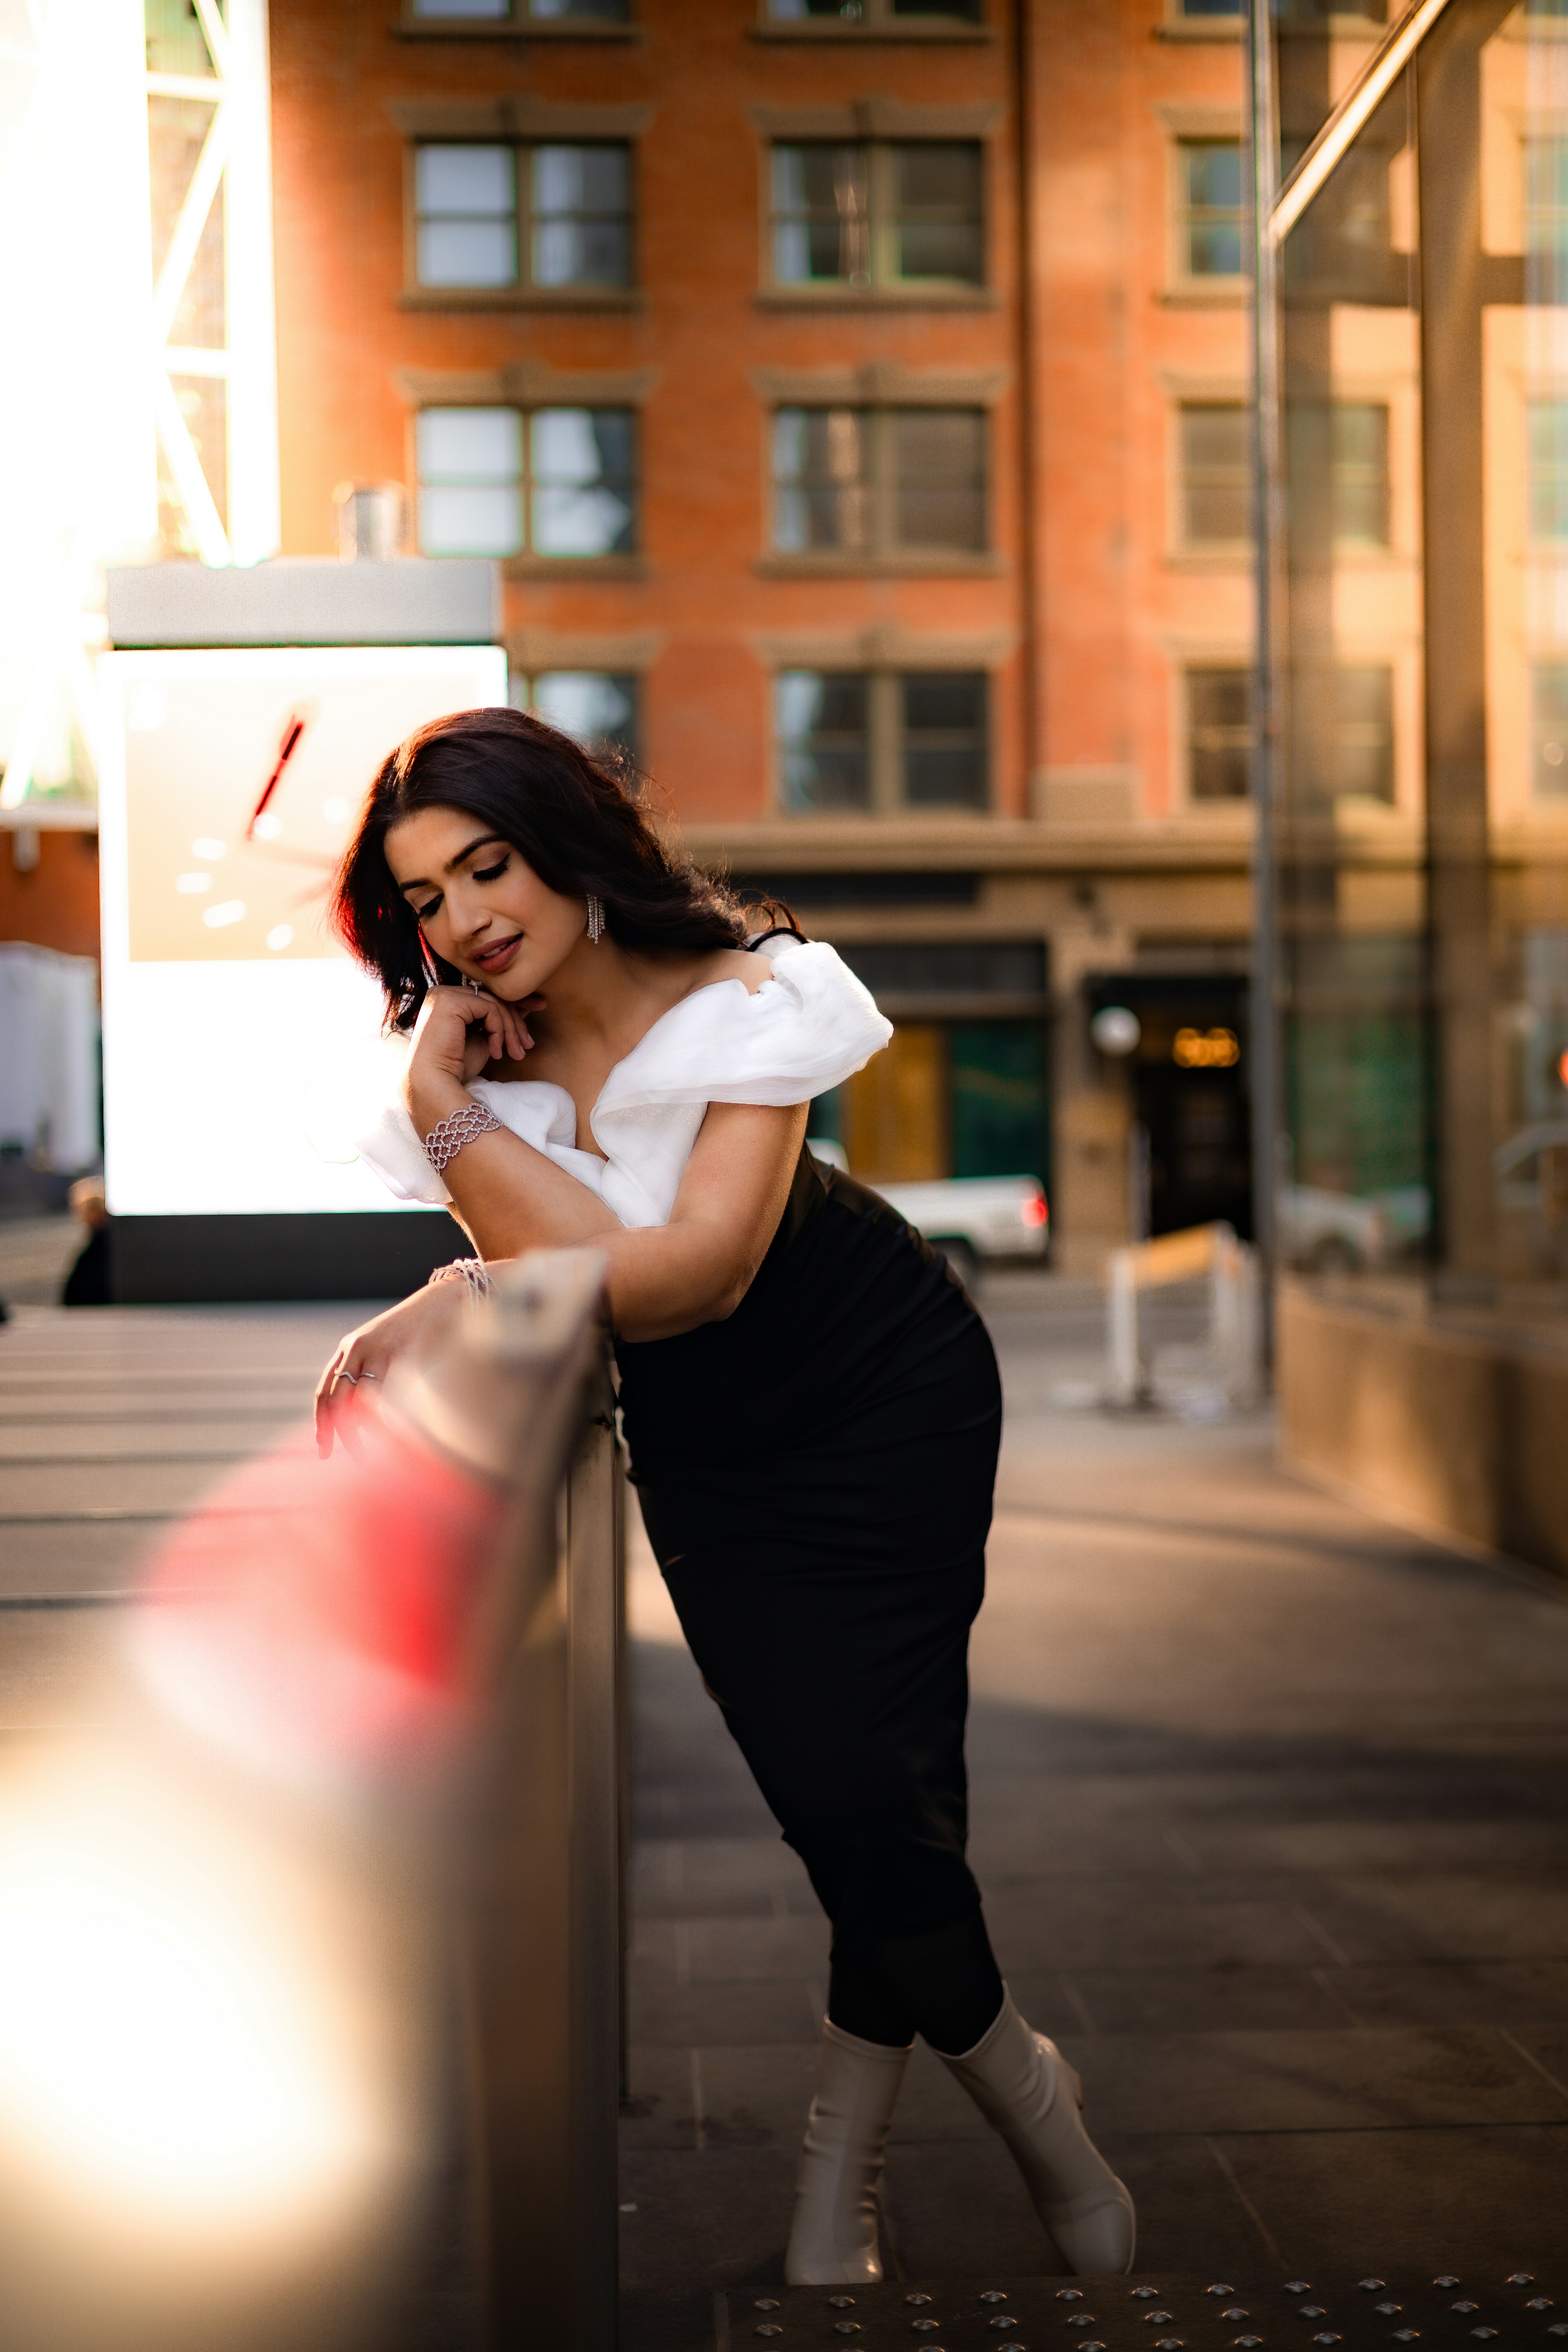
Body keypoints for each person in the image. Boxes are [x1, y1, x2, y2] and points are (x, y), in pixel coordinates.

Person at [317, 708, 1135, 2280]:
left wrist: (469, 1234)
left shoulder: (755, 996)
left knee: (867, 1788)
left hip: (885, 1384)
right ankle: (982, 2102)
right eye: (426, 898)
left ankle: (922, 2150)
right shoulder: (485, 1066)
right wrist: (457, 1219)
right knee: (851, 1796)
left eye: (487, 866)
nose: (466, 918)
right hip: (707, 1445)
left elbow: (692, 1272)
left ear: (568, 845)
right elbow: (559, 1259)